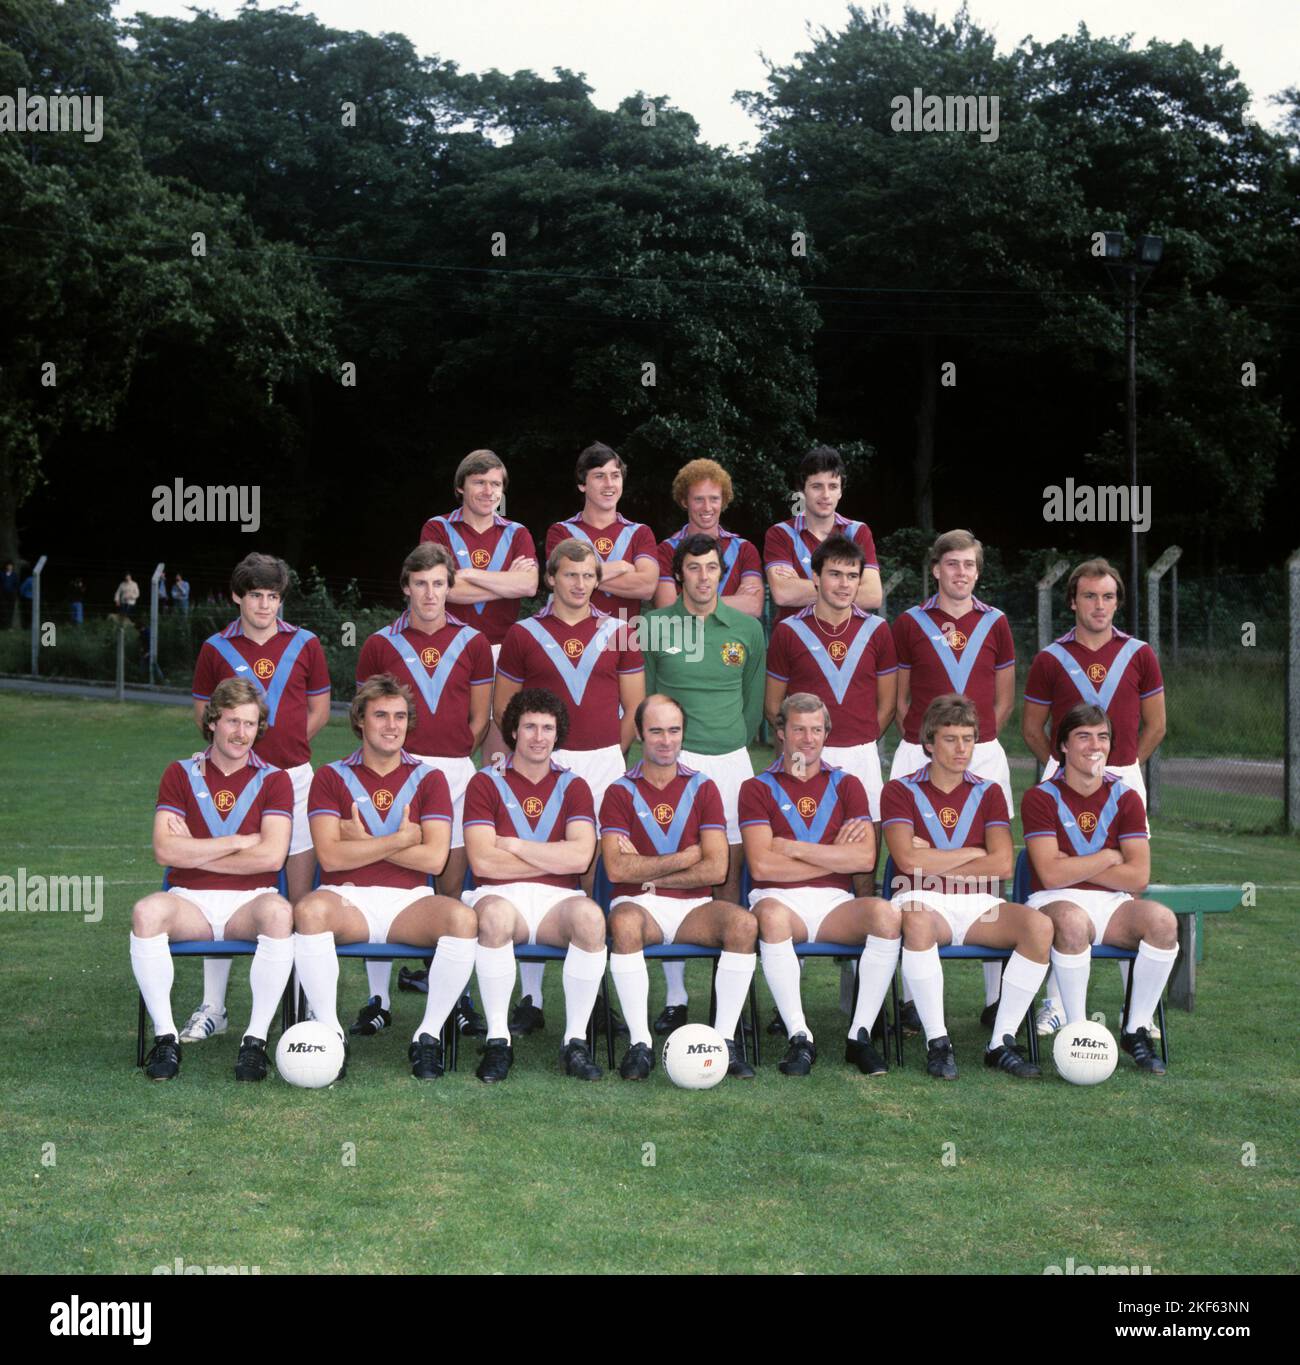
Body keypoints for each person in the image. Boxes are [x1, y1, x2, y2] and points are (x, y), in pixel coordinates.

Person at [292, 675, 476, 1080]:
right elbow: (331, 857)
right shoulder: (330, 776)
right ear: (360, 720)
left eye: (399, 717)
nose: (391, 725)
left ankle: (427, 1036)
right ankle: (330, 1034)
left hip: (408, 902)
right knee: (308, 912)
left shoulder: (430, 778)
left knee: (462, 919)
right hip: (346, 898)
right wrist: (400, 838)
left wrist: (365, 841)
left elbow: (433, 858)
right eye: (380, 716)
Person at [495, 538, 644, 1032]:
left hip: (604, 761)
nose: (579, 585)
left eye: (588, 576)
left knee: (601, 869)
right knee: (539, 865)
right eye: (570, 575)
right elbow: (505, 709)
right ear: (551, 578)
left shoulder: (620, 631)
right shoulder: (523, 633)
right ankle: (532, 998)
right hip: (541, 756)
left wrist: (610, 757)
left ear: (597, 581)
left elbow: (634, 710)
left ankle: (597, 991)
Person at [183, 553, 331, 1043]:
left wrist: (279, 755)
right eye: (256, 596)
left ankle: (308, 999)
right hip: (235, 782)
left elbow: (319, 709)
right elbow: (205, 714)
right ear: (237, 597)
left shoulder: (306, 643)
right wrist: (247, 758)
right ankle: (214, 1005)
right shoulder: (215, 648)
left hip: (296, 777)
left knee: (303, 890)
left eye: (273, 596)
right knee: (222, 889)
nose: (265, 605)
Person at [1021, 557, 1166, 1035]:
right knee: (1058, 884)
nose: (1099, 605)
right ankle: (1056, 1004)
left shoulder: (1140, 653)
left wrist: (1120, 767)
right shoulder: (1050, 657)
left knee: (1126, 885)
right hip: (1066, 772)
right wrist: (1068, 766)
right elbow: (1030, 727)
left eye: (1108, 597)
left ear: (1117, 602)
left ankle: (1136, 1009)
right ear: (1073, 601)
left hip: (1121, 771)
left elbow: (1156, 723)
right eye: (1090, 596)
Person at [352, 543, 493, 1030]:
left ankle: (453, 996)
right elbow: (369, 713)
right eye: (420, 583)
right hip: (395, 771)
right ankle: (377, 1000)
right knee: (385, 876)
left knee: (450, 892)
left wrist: (453, 756)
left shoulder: (473, 642)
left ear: (450, 586)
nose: (430, 593)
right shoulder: (379, 644)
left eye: (438, 583)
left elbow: (480, 717)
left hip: (454, 772)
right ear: (405, 586)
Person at [130, 678, 294, 1082]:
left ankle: (254, 1043)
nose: (242, 733)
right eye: (232, 722)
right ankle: (166, 1038)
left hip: (250, 900)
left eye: (251, 724)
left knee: (279, 913)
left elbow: (271, 856)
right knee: (145, 912)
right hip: (190, 900)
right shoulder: (179, 773)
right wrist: (237, 843)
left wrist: (199, 850)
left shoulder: (276, 780)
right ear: (212, 722)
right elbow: (165, 851)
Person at [882, 695, 1047, 1080]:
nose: (961, 749)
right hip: (919, 896)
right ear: (928, 743)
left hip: (980, 903)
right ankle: (938, 1042)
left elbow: (1002, 863)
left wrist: (937, 855)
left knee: (1038, 927)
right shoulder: (900, 790)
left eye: (969, 739)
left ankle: (1000, 1042)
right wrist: (972, 853)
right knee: (918, 922)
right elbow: (907, 862)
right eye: (951, 739)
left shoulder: (990, 792)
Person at [889, 528, 1016, 1026]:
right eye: (952, 564)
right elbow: (901, 696)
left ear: (977, 571)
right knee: (906, 859)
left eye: (969, 565)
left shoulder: (997, 622)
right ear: (936, 569)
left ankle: (994, 998)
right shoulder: (909, 622)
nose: (961, 573)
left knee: (993, 863)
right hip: (917, 750)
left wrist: (974, 742)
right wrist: (924, 742)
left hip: (980, 751)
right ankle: (908, 997)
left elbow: (1004, 696)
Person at [641, 533, 765, 1031]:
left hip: (732, 759)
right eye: (693, 568)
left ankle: (726, 986)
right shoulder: (652, 626)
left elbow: (753, 701)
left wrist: (731, 741)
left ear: (722, 572)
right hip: (676, 761)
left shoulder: (747, 629)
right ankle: (674, 995)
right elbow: (647, 699)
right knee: (673, 869)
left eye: (711, 567)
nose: (703, 576)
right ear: (679, 576)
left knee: (728, 870)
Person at [602, 694, 758, 1080]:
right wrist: (688, 856)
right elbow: (616, 868)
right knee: (621, 923)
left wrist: (649, 872)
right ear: (639, 733)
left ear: (683, 734)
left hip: (694, 909)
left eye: (674, 730)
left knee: (743, 925)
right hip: (639, 908)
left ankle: (724, 1043)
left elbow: (717, 868)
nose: (666, 740)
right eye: (656, 731)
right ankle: (641, 1044)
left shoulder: (704, 788)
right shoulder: (619, 791)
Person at [742, 693, 897, 1077]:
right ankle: (800, 1036)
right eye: (798, 729)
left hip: (834, 903)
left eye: (816, 730)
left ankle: (859, 1036)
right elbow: (761, 866)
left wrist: (793, 849)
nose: (808, 739)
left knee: (885, 915)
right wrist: (831, 855)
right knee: (773, 918)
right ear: (781, 733)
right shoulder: (757, 788)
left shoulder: (848, 785)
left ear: (827, 734)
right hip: (777, 898)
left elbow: (863, 859)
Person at [1021, 703, 1178, 1074]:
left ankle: (1136, 1027)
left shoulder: (1126, 796)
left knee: (1163, 922)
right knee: (1072, 923)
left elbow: (1138, 876)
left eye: (1103, 736)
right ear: (1062, 745)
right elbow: (1049, 875)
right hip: (1053, 900)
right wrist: (1109, 857)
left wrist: (1073, 865)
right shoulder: (1040, 797)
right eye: (1083, 736)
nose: (1095, 745)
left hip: (1113, 904)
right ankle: (1076, 1032)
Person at [461, 688, 607, 1082]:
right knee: (491, 919)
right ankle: (497, 1040)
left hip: (558, 899)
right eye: (529, 727)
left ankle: (574, 1042)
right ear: (513, 731)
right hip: (499, 895)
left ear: (558, 734)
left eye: (547, 727)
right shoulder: (484, 783)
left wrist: (514, 845)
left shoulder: (574, 786)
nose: (538, 736)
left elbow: (580, 858)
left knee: (592, 919)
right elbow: (482, 860)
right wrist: (550, 854)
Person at [420, 448, 537, 761]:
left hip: (502, 649)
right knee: (448, 732)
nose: (489, 491)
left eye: (496, 485)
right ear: (461, 487)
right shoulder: (437, 528)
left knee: (499, 741)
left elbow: (528, 584)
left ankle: (490, 802)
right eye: (480, 482)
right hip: (451, 645)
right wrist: (504, 584)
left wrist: (470, 574)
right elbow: (445, 589)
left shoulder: (517, 533)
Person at [764, 444, 882, 623]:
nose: (826, 495)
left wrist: (803, 587)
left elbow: (873, 595)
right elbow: (783, 593)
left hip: (848, 640)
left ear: (841, 491)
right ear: (802, 490)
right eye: (817, 486)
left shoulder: (858, 531)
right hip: (796, 639)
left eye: (833, 486)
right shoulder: (780, 534)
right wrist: (847, 590)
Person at [544, 441, 659, 619]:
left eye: (615, 475)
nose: (609, 484)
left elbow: (647, 587)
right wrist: (621, 567)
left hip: (622, 641)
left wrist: (581, 574)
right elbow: (561, 582)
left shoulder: (640, 532)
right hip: (573, 639)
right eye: (599, 476)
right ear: (582, 484)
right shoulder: (562, 532)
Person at [652, 458, 764, 618]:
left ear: (723, 500)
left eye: (714, 499)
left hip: (732, 640)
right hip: (687, 639)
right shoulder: (666, 550)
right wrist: (736, 601)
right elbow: (668, 608)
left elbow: (753, 606)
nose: (707, 507)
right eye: (698, 499)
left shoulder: (744, 549)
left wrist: (688, 602)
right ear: (684, 501)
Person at [0, 561, 16, 629]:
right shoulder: (2, 574)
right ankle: (3, 626)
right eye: (8, 565)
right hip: (3, 595)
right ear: (6, 566)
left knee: (10, 610)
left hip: (11, 595)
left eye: (10, 566)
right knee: (3, 610)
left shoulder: (14, 575)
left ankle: (9, 626)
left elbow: (16, 584)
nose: (9, 567)